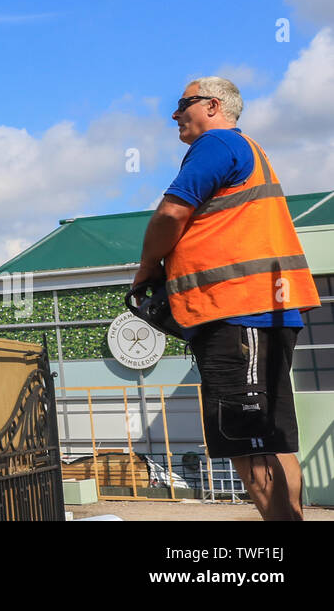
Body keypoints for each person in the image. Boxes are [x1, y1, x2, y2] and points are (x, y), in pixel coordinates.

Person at [131, 77, 319, 520]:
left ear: (213, 106)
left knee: (247, 442)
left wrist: (147, 269)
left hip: (237, 314)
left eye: (183, 104)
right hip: (256, 314)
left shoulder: (216, 145)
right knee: (270, 439)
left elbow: (171, 212)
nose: (175, 114)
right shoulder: (247, 151)